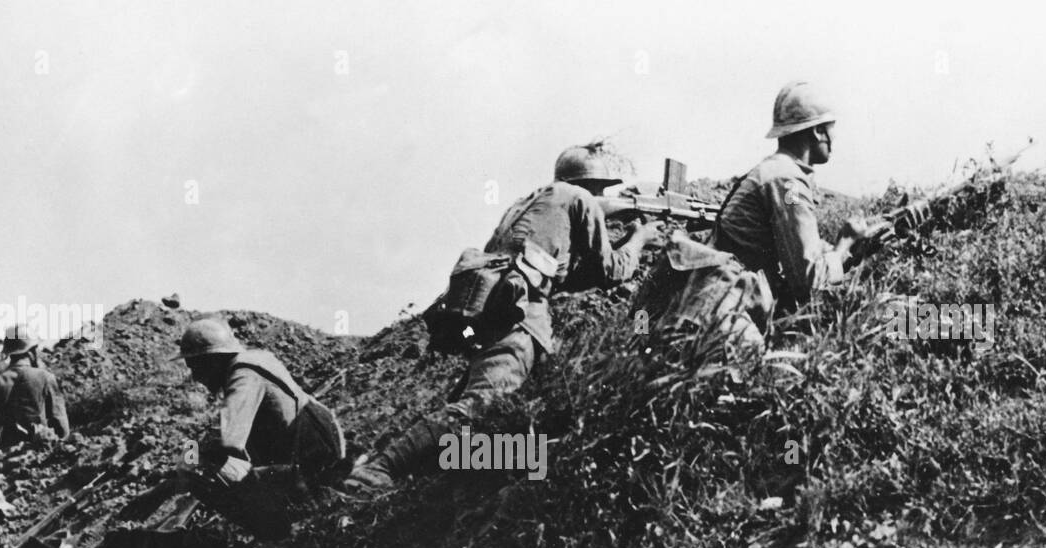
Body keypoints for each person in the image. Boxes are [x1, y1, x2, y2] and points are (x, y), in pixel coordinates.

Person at [344, 143, 664, 491]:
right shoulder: (578, 198)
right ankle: (379, 470)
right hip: (517, 315)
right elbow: (610, 270)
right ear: (595, 186)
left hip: (492, 307)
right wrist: (639, 239)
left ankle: (458, 476)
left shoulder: (529, 204)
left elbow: (563, 276)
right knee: (483, 403)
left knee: (514, 412)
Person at [713, 80, 928, 315]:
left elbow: (809, 256)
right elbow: (809, 284)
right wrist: (844, 243)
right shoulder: (788, 183)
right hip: (731, 314)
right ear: (817, 131)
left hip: (728, 300)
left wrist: (871, 234)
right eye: (831, 128)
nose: (834, 138)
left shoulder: (778, 172)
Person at [172, 317, 344, 538]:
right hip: (314, 459)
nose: (196, 377)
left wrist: (180, 472)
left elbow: (230, 442)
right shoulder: (255, 361)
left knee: (199, 468)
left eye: (196, 367)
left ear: (213, 359)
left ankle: (276, 533)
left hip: (312, 469)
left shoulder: (243, 374)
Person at [0, 334, 70, 451]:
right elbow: (62, 428)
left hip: (5, 460)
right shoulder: (45, 377)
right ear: (31, 352)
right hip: (39, 455)